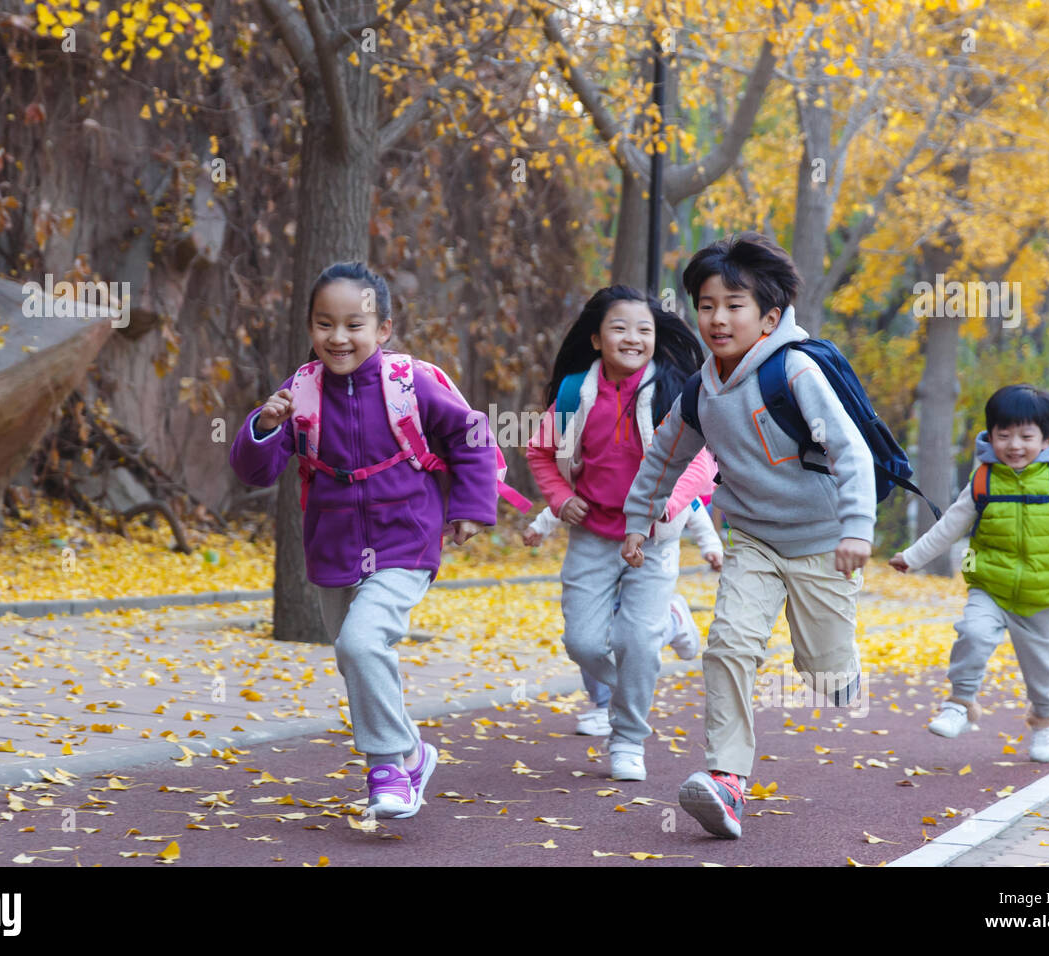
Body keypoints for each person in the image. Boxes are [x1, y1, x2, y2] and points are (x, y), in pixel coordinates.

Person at [622, 232, 876, 839]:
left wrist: (857, 528)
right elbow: (663, 457)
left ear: (769, 316)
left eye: (734, 305)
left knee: (824, 674)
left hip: (822, 541)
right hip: (753, 542)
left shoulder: (795, 370)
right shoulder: (699, 389)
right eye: (706, 305)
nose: (717, 318)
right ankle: (728, 782)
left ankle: (839, 667)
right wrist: (640, 519)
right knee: (729, 646)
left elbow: (849, 449)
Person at [228, 261, 498, 818]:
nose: (339, 337)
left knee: (360, 643)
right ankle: (413, 753)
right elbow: (255, 471)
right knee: (358, 656)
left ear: (384, 329)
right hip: (334, 545)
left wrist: (471, 507)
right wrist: (264, 426)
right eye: (325, 324)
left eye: (355, 324)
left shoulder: (410, 383)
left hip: (407, 536)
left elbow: (471, 434)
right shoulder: (298, 391)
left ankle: (386, 767)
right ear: (310, 329)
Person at [525, 286, 715, 781]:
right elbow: (539, 453)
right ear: (595, 338)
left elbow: (703, 461)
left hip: (654, 540)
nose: (632, 338)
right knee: (583, 643)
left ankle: (628, 737)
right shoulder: (574, 393)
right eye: (619, 327)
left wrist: (663, 508)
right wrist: (559, 499)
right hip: (592, 534)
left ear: (656, 339)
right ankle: (657, 646)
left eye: (644, 330)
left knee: (636, 641)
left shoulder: (675, 391)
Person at [890, 384, 1049, 762]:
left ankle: (1045, 720)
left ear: (1047, 438)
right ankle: (959, 704)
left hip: (1041, 596)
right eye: (1004, 435)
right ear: (990, 435)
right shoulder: (983, 481)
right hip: (989, 586)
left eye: (1026, 436)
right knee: (973, 633)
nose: (1014, 445)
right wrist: (913, 558)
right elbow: (950, 527)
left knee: (1041, 671)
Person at [523, 500, 722, 735]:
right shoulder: (602, 466)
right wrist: (542, 524)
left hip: (649, 550)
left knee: (634, 635)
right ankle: (603, 703)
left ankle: (671, 622)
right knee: (589, 637)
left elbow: (691, 502)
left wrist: (710, 544)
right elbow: (580, 492)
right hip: (598, 546)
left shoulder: (663, 467)